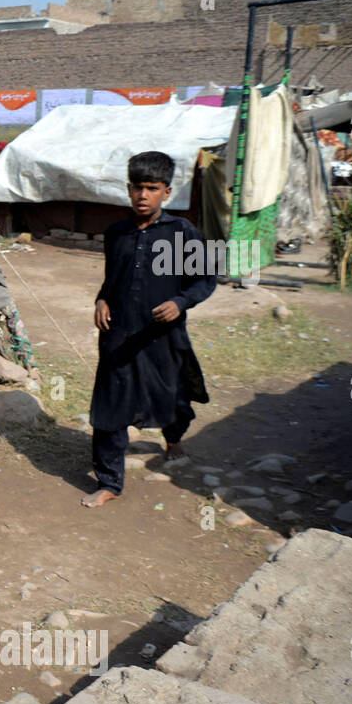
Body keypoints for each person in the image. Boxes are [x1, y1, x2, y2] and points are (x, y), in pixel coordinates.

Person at [82, 151, 217, 508]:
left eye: (152, 188)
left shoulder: (180, 234)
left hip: (163, 335)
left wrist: (181, 303)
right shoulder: (117, 233)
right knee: (110, 404)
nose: (144, 195)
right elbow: (112, 281)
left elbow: (204, 280)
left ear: (167, 192)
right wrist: (101, 300)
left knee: (172, 397)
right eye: (138, 188)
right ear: (129, 189)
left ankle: (173, 438)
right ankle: (110, 481)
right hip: (120, 334)